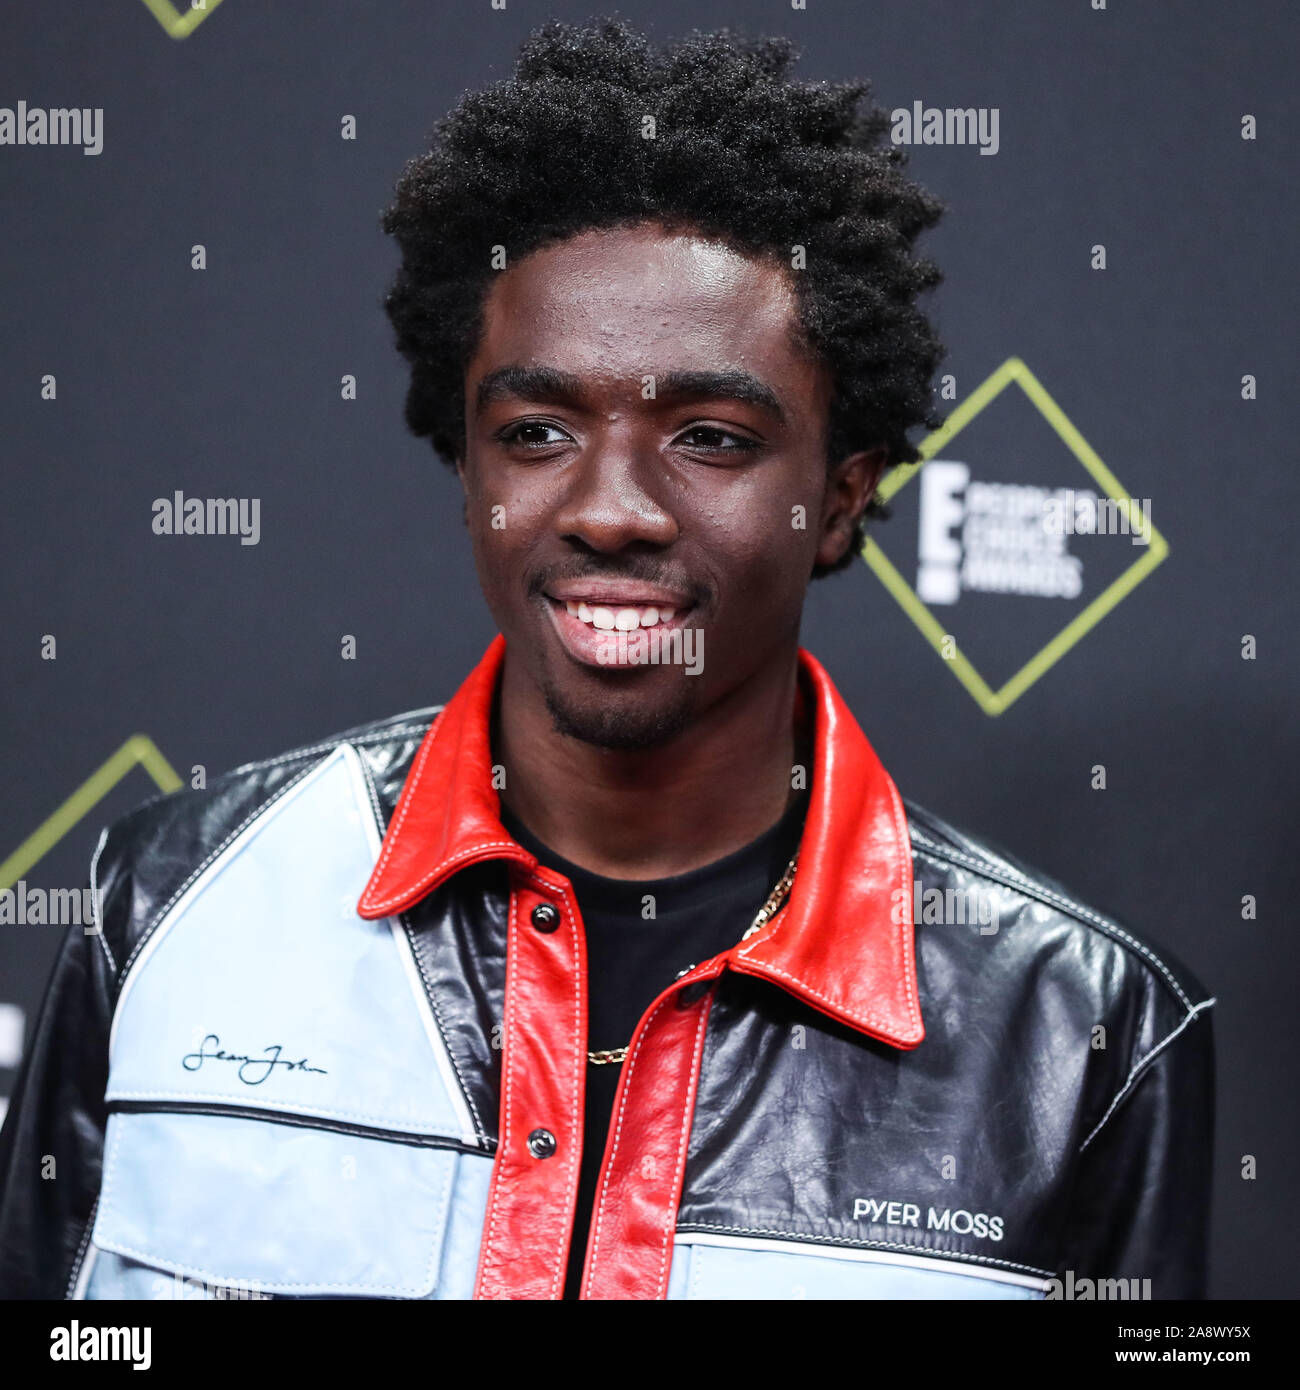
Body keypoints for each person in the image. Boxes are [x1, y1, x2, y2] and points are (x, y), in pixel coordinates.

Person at [0, 18, 1214, 1301]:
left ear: (843, 498)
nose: (610, 506)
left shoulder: (1084, 1025)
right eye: (536, 429)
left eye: (708, 435)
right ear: (467, 469)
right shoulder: (175, 900)